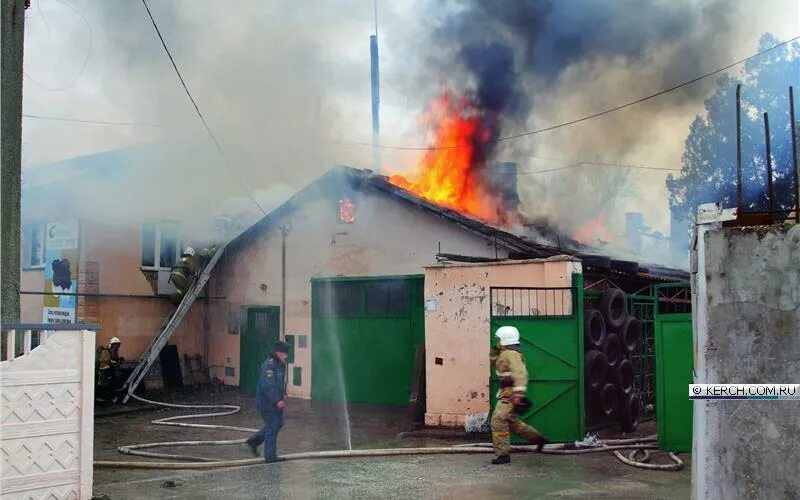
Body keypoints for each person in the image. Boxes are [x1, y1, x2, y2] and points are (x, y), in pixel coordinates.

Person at [490, 326, 550, 464]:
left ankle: (503, 455)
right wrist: (495, 349)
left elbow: (520, 374)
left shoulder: (511, 354)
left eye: (499, 339)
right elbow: (493, 361)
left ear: (504, 340)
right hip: (506, 393)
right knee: (512, 422)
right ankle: (538, 439)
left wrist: (518, 394)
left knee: (498, 420)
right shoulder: (505, 353)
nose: (497, 341)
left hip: (510, 394)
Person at [246, 340, 290, 463]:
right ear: (278, 353)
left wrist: (283, 395)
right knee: (273, 425)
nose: (286, 356)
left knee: (278, 424)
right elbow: (268, 386)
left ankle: (254, 441)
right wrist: (277, 400)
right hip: (266, 403)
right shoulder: (268, 366)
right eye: (284, 353)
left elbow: (280, 383)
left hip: (276, 401)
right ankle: (270, 456)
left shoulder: (281, 364)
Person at [96, 337, 124, 406]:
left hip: (111, 373)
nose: (118, 346)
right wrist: (109, 372)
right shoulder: (106, 352)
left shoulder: (114, 352)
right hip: (104, 373)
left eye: (118, 345)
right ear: (112, 345)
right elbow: (104, 363)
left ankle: (108, 402)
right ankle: (101, 403)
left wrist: (119, 361)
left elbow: (114, 362)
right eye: (116, 345)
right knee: (103, 388)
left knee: (111, 387)